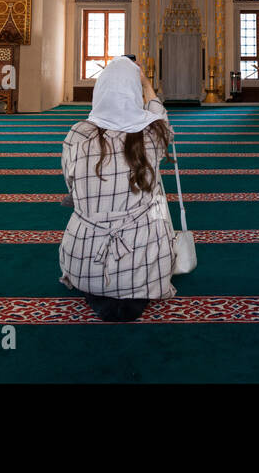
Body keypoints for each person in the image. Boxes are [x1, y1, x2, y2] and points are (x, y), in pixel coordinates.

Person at [60, 56, 177, 322]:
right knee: (156, 197)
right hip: (145, 266)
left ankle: (100, 286)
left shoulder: (77, 135)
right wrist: (146, 85)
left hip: (85, 260)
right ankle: (131, 285)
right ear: (135, 92)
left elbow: (71, 184)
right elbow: (162, 119)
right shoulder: (153, 135)